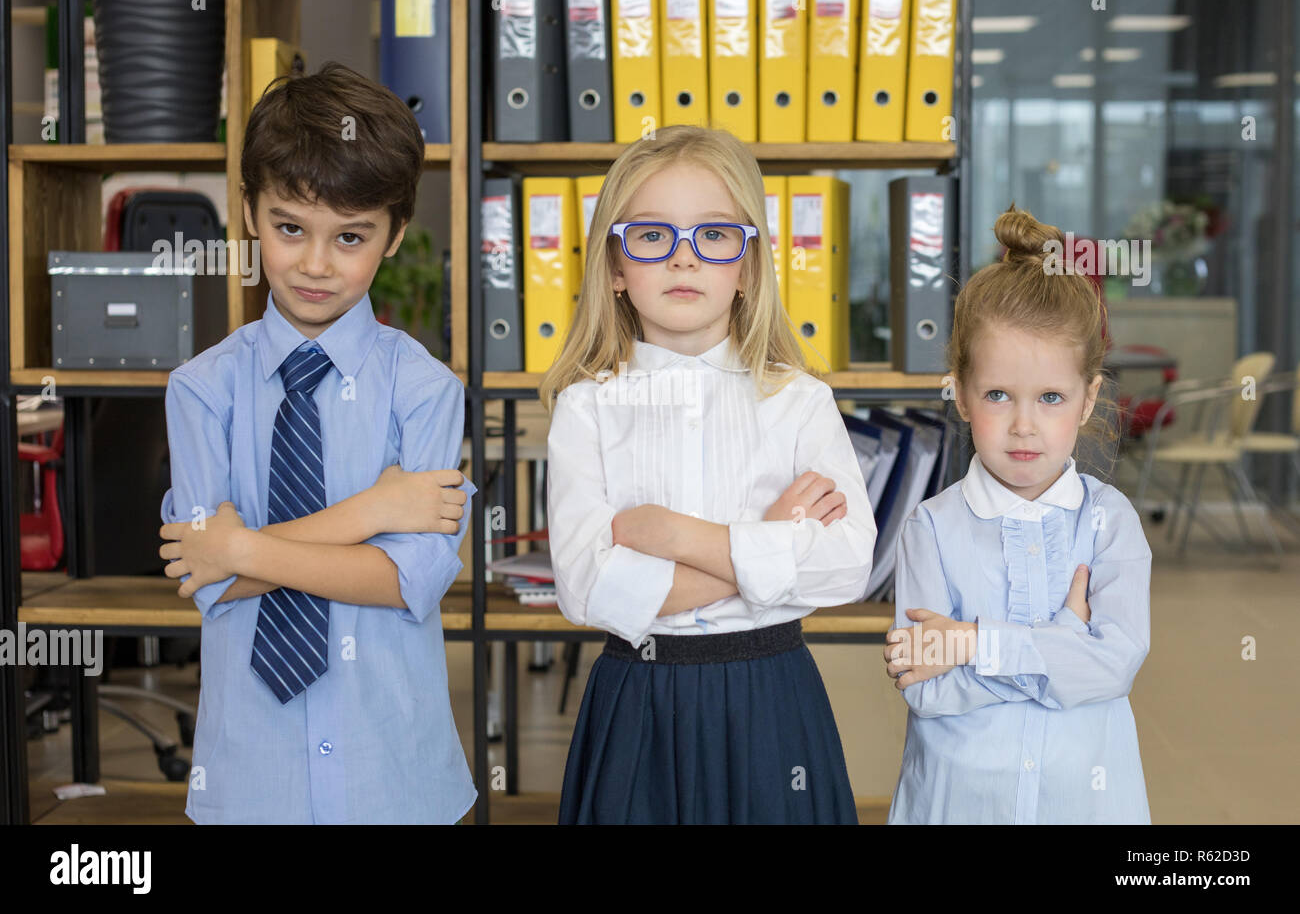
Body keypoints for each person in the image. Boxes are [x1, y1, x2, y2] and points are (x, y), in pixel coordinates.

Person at [157, 62, 476, 824]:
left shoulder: (426, 389)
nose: (315, 263)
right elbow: (207, 584)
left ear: (395, 234)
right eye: (289, 227)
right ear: (248, 214)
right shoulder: (201, 389)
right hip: (248, 780)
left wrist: (239, 549)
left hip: (394, 775)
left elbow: (406, 581)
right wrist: (373, 508)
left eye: (351, 237)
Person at [542, 124, 877, 823]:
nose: (684, 259)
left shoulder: (799, 401)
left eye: (715, 235)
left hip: (772, 697)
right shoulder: (587, 408)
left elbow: (848, 565)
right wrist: (771, 539)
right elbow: (587, 590)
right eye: (653, 236)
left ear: (749, 265)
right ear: (614, 265)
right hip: (640, 698)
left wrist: (670, 534)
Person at [884, 204, 1152, 824]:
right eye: (998, 394)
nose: (1024, 424)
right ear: (959, 393)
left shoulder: (1110, 523)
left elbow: (1113, 667)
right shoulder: (930, 528)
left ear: (1088, 400)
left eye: (1051, 397)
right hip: (960, 805)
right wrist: (1060, 646)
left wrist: (974, 644)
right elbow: (926, 688)